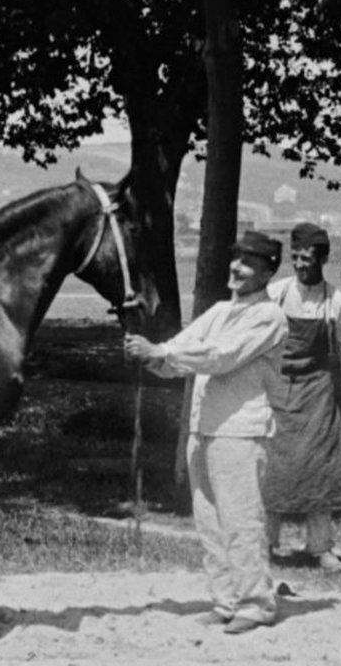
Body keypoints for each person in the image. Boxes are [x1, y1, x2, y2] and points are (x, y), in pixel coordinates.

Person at [124, 231, 288, 635]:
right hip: (204, 427)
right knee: (210, 519)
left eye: (249, 262)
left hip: (242, 430)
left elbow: (220, 357)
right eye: (235, 258)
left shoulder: (269, 317)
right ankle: (226, 599)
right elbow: (182, 350)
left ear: (268, 272)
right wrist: (149, 353)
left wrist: (161, 353)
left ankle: (257, 603)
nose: (237, 267)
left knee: (241, 519)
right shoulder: (218, 311)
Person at [263, 222, 341, 572]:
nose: (300, 264)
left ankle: (321, 547)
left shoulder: (337, 303)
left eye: (307, 258)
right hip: (277, 391)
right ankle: (264, 544)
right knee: (271, 469)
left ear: (322, 259)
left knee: (320, 470)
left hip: (318, 397)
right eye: (295, 257)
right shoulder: (276, 295)